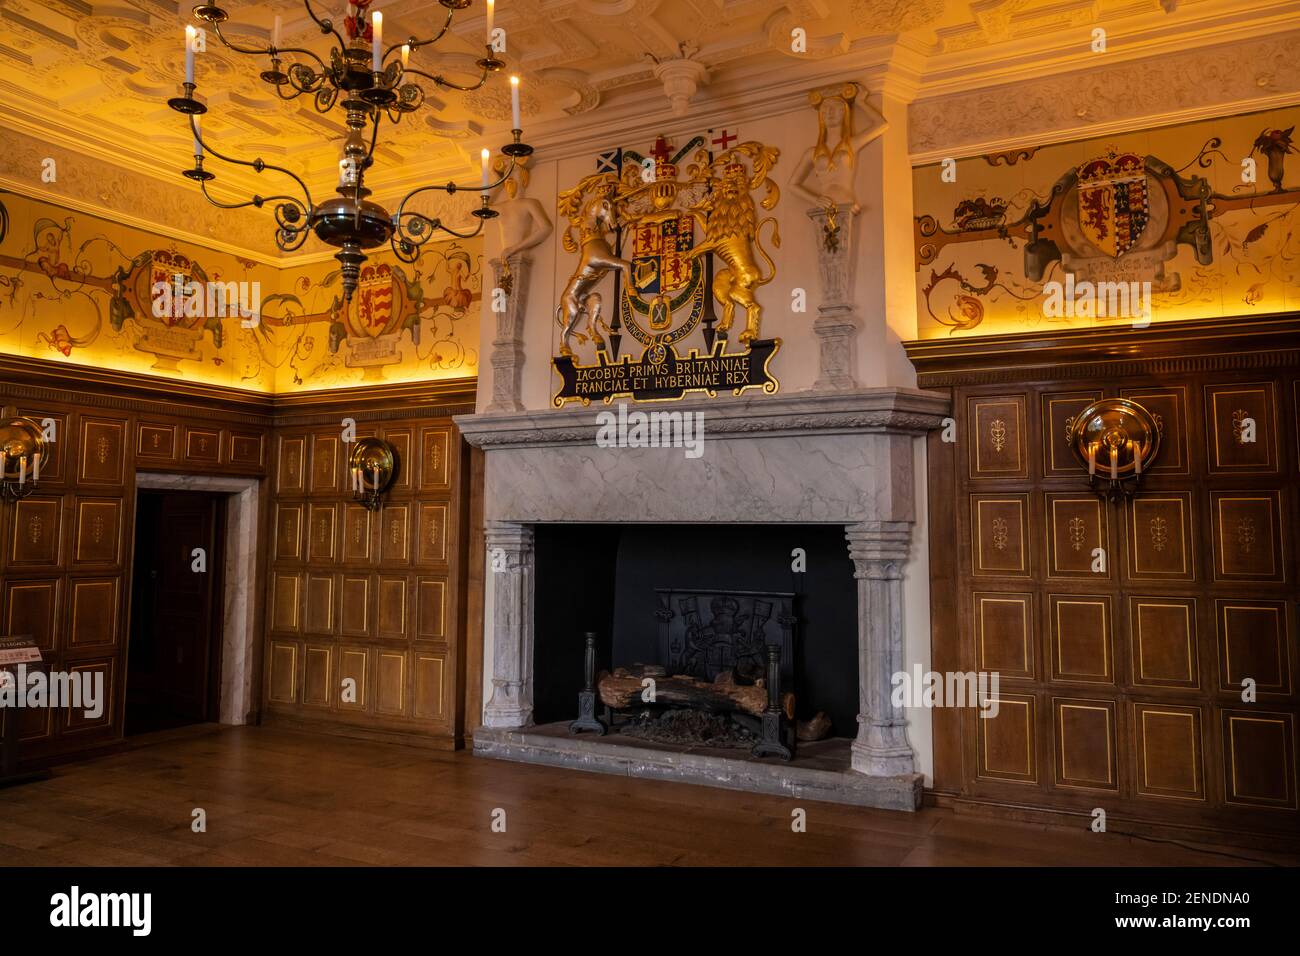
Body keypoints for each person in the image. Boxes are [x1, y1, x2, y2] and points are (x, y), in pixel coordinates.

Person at [788, 83, 888, 214]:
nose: (830, 112)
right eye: (825, 110)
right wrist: (815, 199)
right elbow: (792, 184)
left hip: (846, 203)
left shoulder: (851, 144)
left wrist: (860, 102)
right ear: (821, 116)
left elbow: (881, 125)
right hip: (823, 207)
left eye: (836, 108)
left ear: (844, 113)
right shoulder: (812, 153)